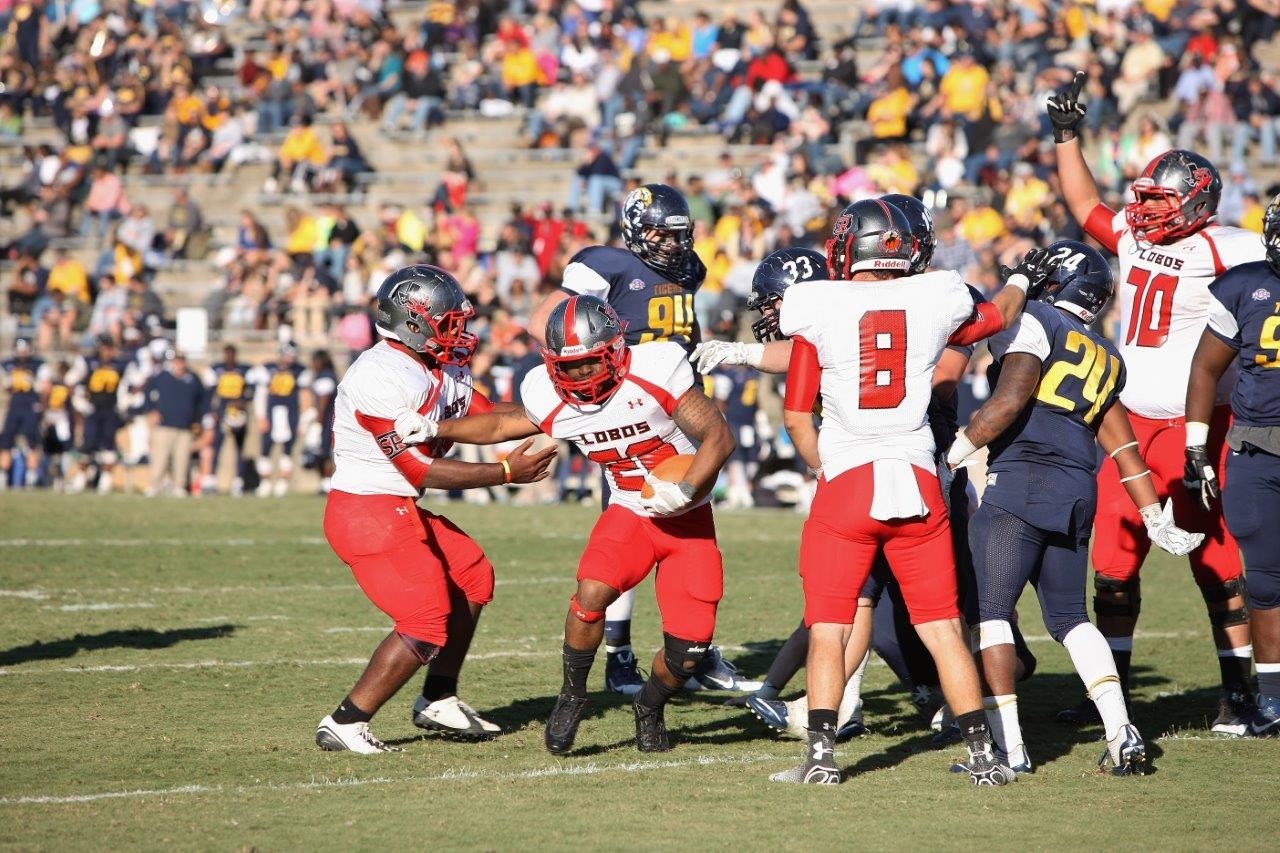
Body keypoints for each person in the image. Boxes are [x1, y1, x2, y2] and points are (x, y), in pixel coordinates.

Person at [769, 198, 1043, 786]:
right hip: (918, 478)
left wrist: (826, 472)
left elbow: (797, 416)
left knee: (830, 625)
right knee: (942, 626)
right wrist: (1021, 277)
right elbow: (992, 318)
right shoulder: (937, 293)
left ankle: (820, 757)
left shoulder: (817, 304)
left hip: (849, 477)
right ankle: (982, 754)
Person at [1047, 70, 1268, 733]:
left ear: (1198, 206)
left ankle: (1241, 691)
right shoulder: (1136, 235)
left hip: (1198, 421)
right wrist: (1065, 135)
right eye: (1145, 198)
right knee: (1113, 568)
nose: (1145, 210)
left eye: (1161, 200)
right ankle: (1108, 695)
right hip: (1126, 420)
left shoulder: (1232, 246)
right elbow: (1084, 200)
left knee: (1220, 565)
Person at [424, 295, 735, 753]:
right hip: (630, 509)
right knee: (591, 594)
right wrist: (435, 428)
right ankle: (572, 696)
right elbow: (498, 425)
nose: (578, 377)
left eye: (589, 364)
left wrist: (685, 490)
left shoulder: (655, 369)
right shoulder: (547, 393)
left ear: (614, 350)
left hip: (687, 518)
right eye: (567, 368)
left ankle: (649, 705)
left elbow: (718, 435)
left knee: (688, 652)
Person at [948, 240, 1203, 776]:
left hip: (1022, 481)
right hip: (1076, 490)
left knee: (991, 616)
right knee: (1070, 618)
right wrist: (1153, 514)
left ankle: (1011, 750)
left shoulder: (1035, 319)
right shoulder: (1107, 353)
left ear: (1053, 285)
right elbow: (1124, 447)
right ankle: (1119, 728)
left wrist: (951, 453)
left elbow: (1009, 400)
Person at [315, 265, 555, 753]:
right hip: (366, 511)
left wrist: (568, 412)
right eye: (447, 322)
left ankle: (438, 698)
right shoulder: (379, 375)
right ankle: (346, 721)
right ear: (413, 322)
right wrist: (506, 474)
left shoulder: (437, 369)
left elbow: (493, 419)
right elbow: (420, 471)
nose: (459, 331)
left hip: (395, 506)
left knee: (472, 575)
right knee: (426, 620)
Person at [526, 184, 750, 696]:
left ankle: (690, 648)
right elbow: (546, 323)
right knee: (633, 530)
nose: (670, 246)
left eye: (678, 235)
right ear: (632, 229)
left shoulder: (689, 270)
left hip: (682, 412)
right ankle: (620, 654)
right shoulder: (608, 265)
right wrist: (602, 389)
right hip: (634, 412)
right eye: (658, 233)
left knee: (684, 538)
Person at [1184, 193, 1280, 735]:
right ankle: (1271, 700)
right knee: (1265, 581)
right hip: (1257, 450)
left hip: (1256, 450)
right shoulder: (1245, 284)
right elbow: (1206, 366)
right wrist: (1197, 445)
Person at [70, 335, 130, 494]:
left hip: (111, 409)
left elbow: (131, 385)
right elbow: (72, 381)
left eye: (109, 348)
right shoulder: (88, 362)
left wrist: (125, 405)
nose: (107, 352)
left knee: (108, 445)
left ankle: (106, 480)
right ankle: (81, 478)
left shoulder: (120, 365)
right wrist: (81, 401)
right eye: (104, 348)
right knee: (87, 443)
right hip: (93, 408)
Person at [142, 350, 206, 497]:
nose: (179, 362)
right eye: (177, 359)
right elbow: (147, 393)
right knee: (160, 457)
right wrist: (151, 411)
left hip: (185, 426)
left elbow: (202, 400)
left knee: (182, 459)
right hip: (164, 425)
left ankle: (179, 486)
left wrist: (198, 419)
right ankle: (154, 485)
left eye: (182, 359)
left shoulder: (193, 378)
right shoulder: (162, 377)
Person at [249, 343, 307, 497]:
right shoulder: (268, 369)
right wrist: (261, 416)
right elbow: (260, 393)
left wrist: (303, 420)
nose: (290, 358)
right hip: (271, 413)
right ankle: (265, 483)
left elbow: (304, 396)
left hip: (291, 414)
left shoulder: (300, 370)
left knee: (287, 450)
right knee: (265, 449)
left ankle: (282, 483)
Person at [200, 344, 254, 496]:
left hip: (238, 413)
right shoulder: (216, 369)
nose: (229, 356)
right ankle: (210, 480)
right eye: (227, 353)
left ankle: (238, 482)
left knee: (239, 448)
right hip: (222, 413)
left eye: (232, 353)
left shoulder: (244, 370)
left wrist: (241, 402)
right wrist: (212, 412)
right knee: (216, 446)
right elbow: (210, 393)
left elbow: (250, 392)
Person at [0, 338, 48, 490]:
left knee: (32, 439)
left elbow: (45, 386)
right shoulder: (8, 364)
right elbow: (5, 384)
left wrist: (34, 383)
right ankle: (3, 474)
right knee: (6, 439)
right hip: (14, 404)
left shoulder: (38, 364)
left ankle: (31, 475)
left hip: (31, 405)